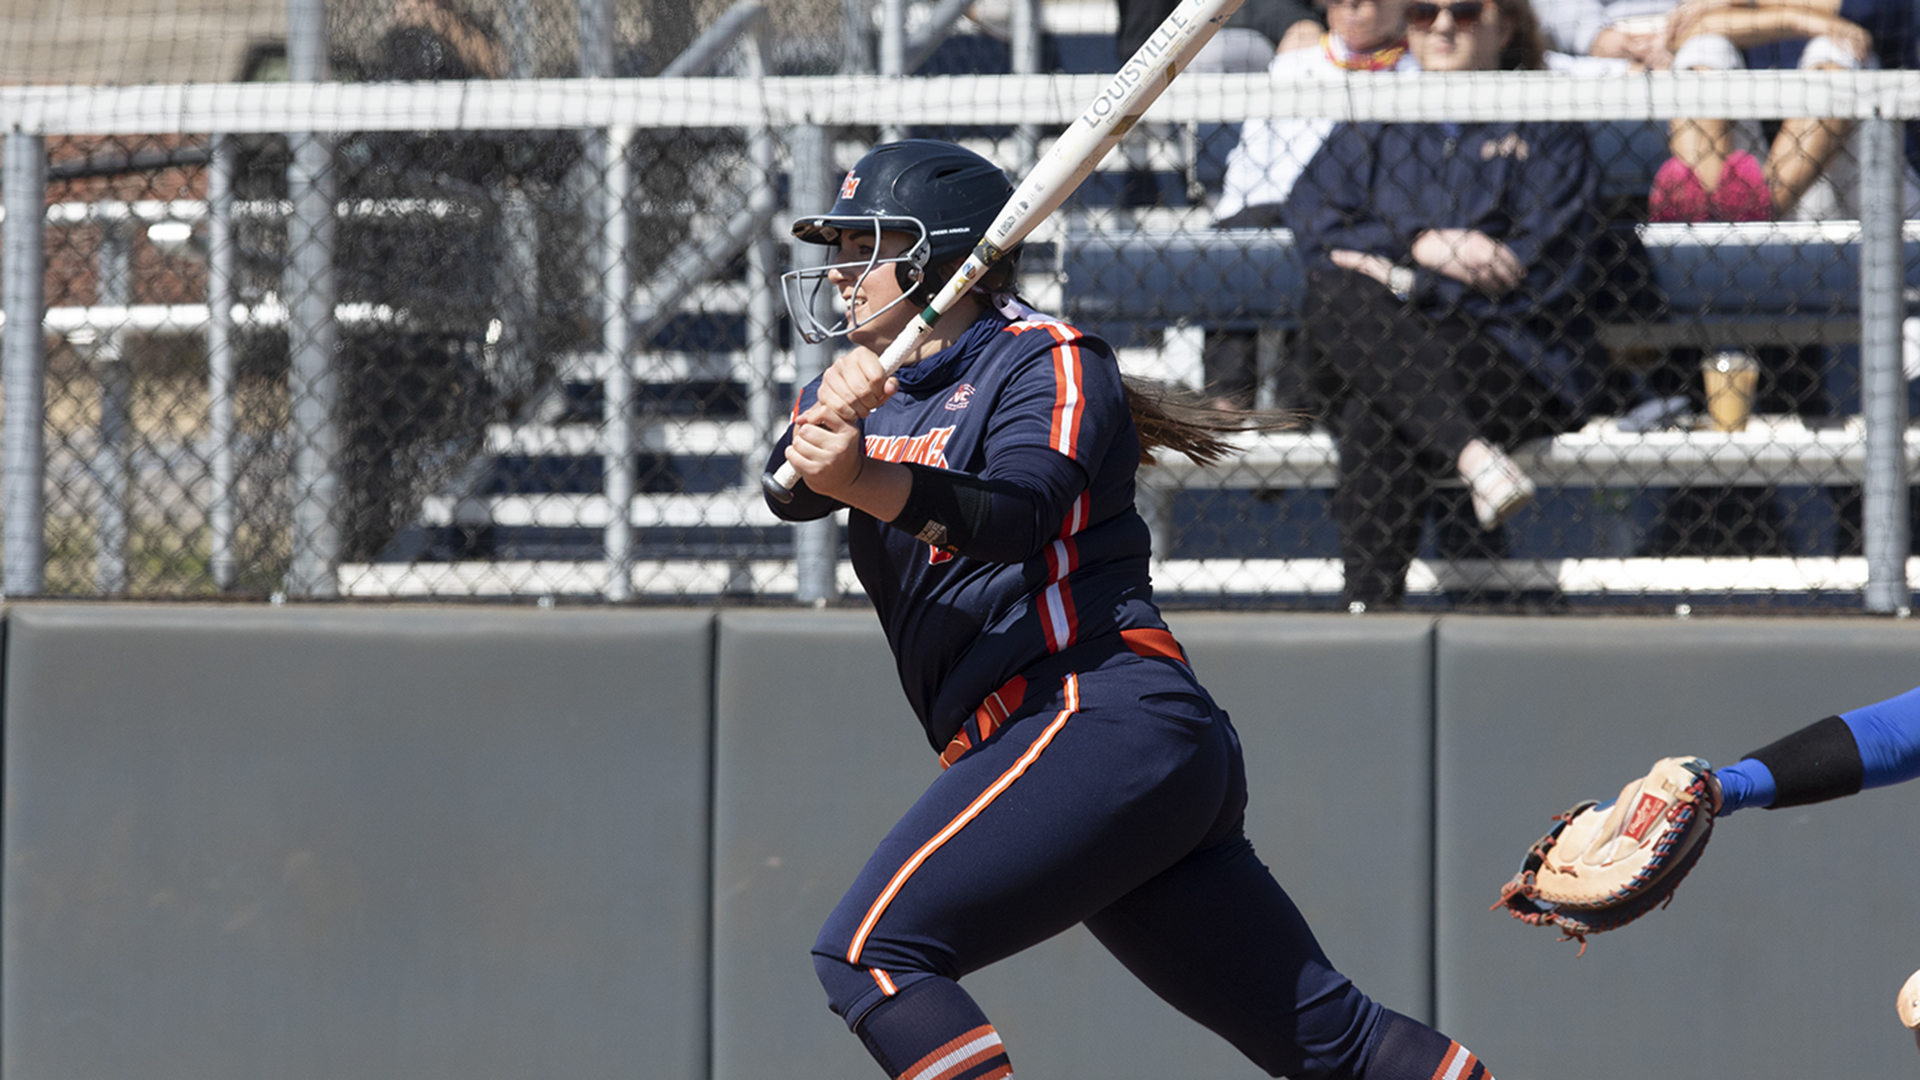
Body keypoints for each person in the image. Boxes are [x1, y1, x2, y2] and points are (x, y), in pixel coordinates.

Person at [765, 138, 1499, 1080]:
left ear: (935, 256)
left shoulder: (1049, 360)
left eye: (864, 244)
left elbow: (1022, 515)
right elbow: (785, 488)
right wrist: (837, 434)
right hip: (1047, 746)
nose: (841, 270)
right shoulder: (861, 391)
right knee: (1334, 1043)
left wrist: (866, 474)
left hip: (1098, 712)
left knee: (870, 951)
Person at [1282, 0, 1606, 610]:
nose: (1442, 25)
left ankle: (1369, 619)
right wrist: (1422, 246)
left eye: (1464, 10)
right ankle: (1474, 458)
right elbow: (1315, 223)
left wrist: (1401, 277)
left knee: (1375, 412)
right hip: (1391, 333)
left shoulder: (1547, 120)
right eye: (1424, 11)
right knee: (1331, 290)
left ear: (1505, 25)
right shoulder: (1378, 115)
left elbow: (1539, 271)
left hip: (1509, 351)